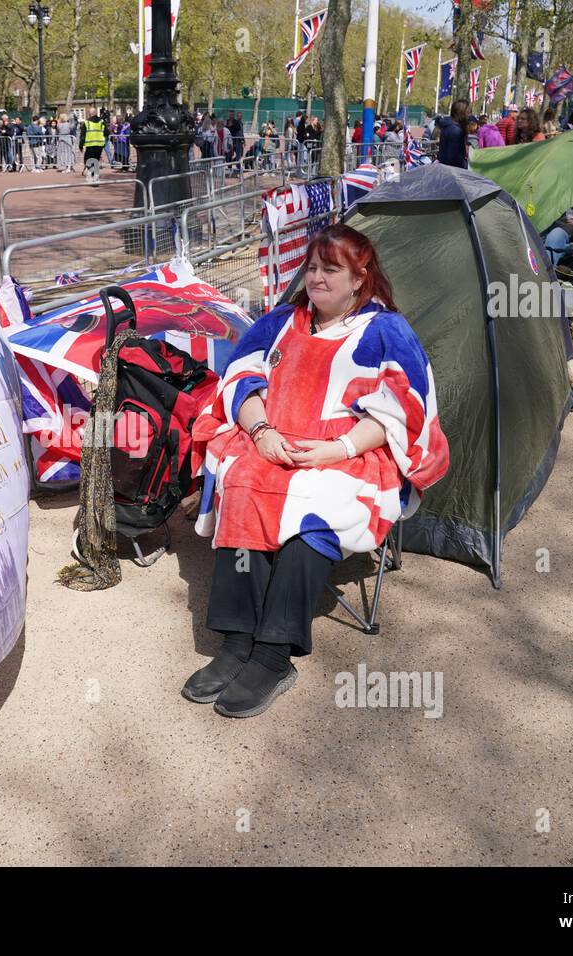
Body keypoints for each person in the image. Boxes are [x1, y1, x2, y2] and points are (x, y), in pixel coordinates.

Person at [184, 225, 450, 718]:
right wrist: (262, 431)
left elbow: (405, 408)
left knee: (313, 506)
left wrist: (337, 449)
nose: (317, 278)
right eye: (312, 268)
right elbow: (240, 377)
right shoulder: (282, 321)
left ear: (359, 279)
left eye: (332, 270)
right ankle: (238, 641)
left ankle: (273, 654)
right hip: (273, 437)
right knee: (243, 484)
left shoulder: (386, 330)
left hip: (349, 452)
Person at [436, 99, 470, 167]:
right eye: (467, 112)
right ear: (462, 113)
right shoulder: (455, 131)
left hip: (446, 167)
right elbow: (455, 157)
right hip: (453, 170)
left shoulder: (449, 127)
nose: (468, 115)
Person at [79, 110, 105, 182]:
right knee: (96, 160)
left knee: (88, 160)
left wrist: (81, 145)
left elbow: (82, 135)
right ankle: (95, 175)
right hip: (99, 144)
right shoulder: (102, 122)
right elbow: (106, 132)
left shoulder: (86, 122)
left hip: (90, 144)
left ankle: (90, 174)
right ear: (96, 113)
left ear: (89, 114)